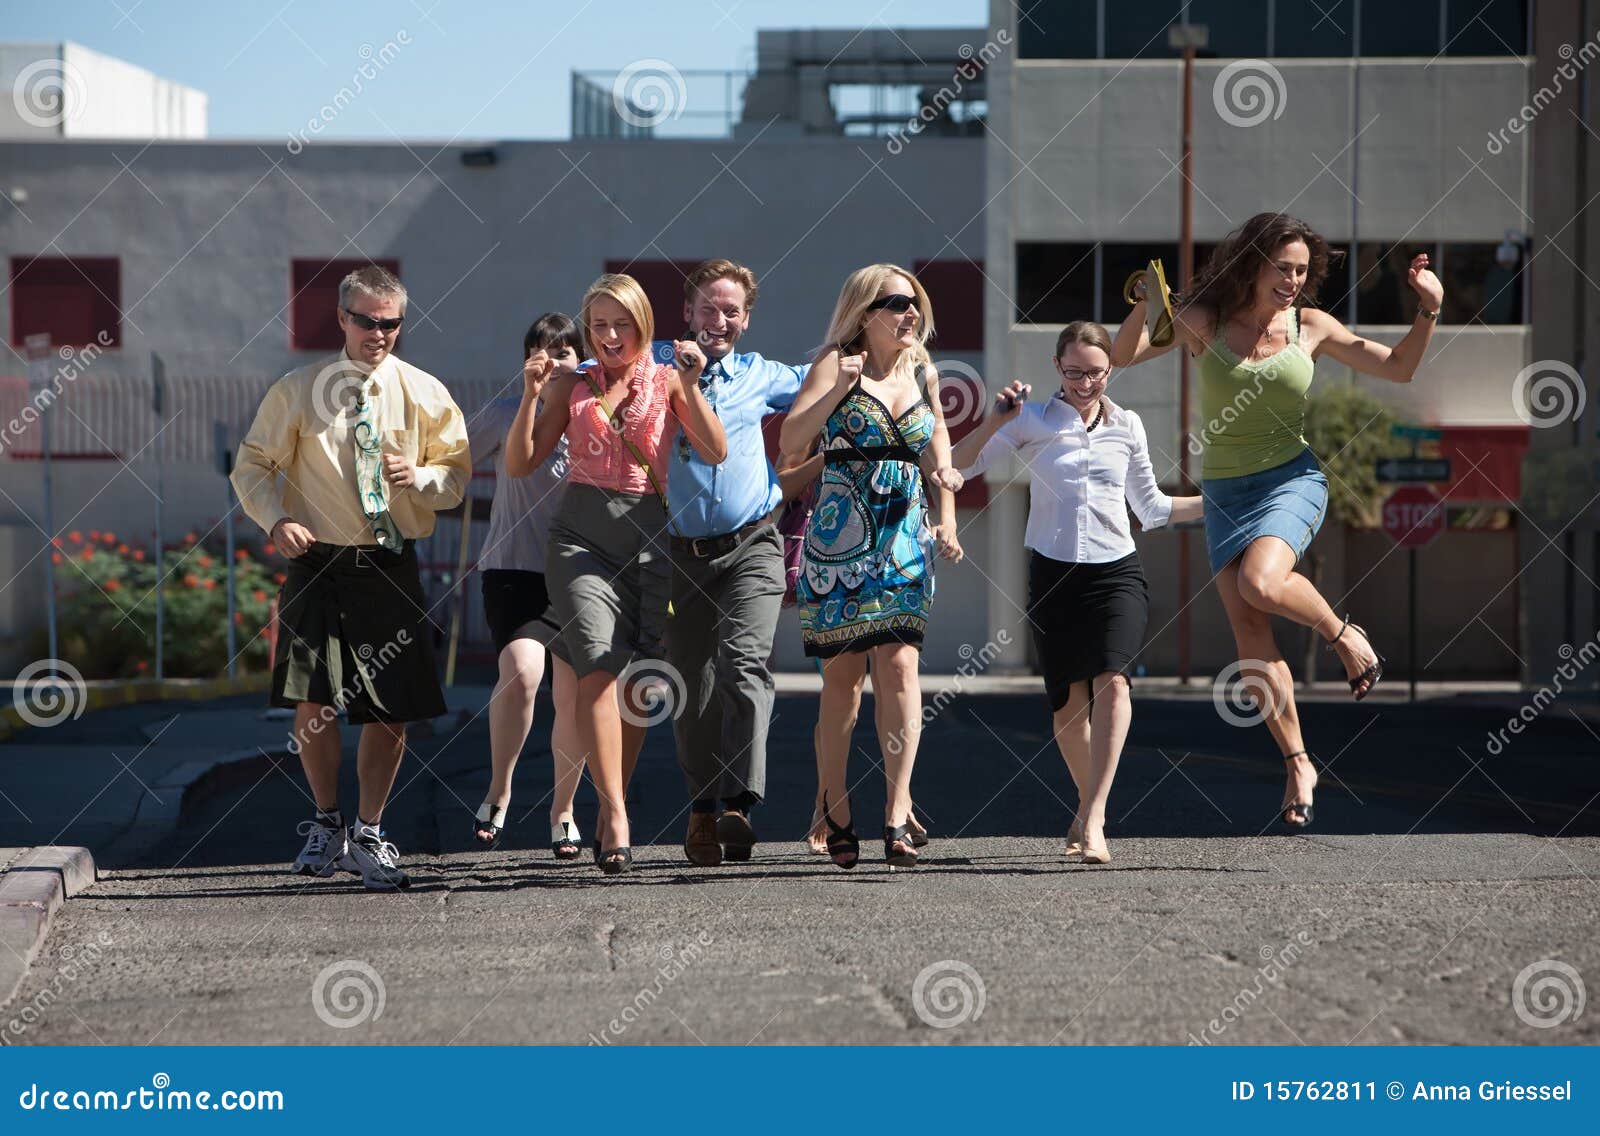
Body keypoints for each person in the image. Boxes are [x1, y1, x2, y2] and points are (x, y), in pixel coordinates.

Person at [1111, 211, 1442, 829]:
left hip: (1291, 480)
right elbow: (1122, 357)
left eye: (1301, 270)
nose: (1293, 280)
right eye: (1282, 268)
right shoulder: (1205, 321)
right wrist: (1141, 301)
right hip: (1224, 493)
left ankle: (1344, 635)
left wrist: (1427, 310)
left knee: (1260, 583)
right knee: (1251, 634)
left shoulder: (1310, 326)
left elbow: (1400, 366)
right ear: (1252, 266)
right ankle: (1297, 762)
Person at [232, 264, 470, 891]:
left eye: (391, 323)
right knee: (314, 702)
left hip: (387, 563)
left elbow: (455, 473)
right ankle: (324, 821)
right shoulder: (298, 389)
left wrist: (420, 478)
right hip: (317, 562)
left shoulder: (424, 392)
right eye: (366, 321)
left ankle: (368, 830)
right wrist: (276, 518)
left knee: (389, 708)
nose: (379, 333)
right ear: (341, 318)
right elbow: (252, 465)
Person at [954, 321, 1204, 864]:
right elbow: (960, 466)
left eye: (1094, 372)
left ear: (1110, 369)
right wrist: (995, 418)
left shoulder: (1129, 425)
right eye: (1074, 372)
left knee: (1114, 683)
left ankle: (1094, 818)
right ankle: (1085, 805)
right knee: (1069, 710)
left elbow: (1153, 509)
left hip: (1117, 572)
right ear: (1056, 367)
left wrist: (1218, 504)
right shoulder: (1033, 418)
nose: (1084, 383)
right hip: (1053, 574)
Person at [504, 273, 726, 875]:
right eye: (598, 324)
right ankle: (618, 813)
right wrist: (530, 395)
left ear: (642, 325)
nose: (607, 336)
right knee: (598, 661)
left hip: (649, 539)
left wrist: (693, 384)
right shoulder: (572, 386)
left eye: (619, 324)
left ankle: (608, 808)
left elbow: (715, 449)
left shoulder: (668, 379)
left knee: (641, 687)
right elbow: (522, 462)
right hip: (580, 537)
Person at [779, 264, 964, 870]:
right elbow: (791, 442)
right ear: (865, 314)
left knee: (903, 668)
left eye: (914, 303)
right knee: (843, 686)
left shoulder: (923, 369)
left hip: (906, 538)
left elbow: (937, 439)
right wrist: (838, 392)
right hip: (839, 545)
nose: (911, 314)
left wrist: (948, 496)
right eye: (896, 304)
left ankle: (896, 811)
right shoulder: (836, 363)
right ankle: (834, 808)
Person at [665, 260, 810, 867]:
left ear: (746, 321)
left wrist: (878, 346)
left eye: (731, 311)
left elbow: (827, 379)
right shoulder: (655, 364)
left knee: (744, 663)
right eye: (708, 308)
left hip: (754, 544)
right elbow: (597, 363)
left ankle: (737, 806)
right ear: (688, 313)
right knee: (692, 684)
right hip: (676, 553)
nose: (718, 320)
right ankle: (701, 809)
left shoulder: (762, 375)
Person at [466, 313, 586, 860]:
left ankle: (563, 811)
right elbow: (451, 465)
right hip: (513, 570)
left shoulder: (594, 416)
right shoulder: (504, 413)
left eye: (564, 351)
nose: (553, 359)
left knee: (576, 695)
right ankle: (500, 787)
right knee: (521, 672)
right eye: (542, 349)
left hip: (580, 572)